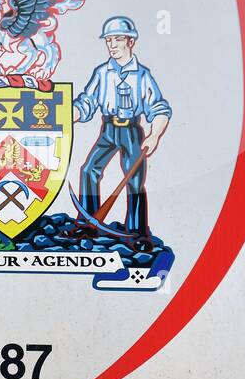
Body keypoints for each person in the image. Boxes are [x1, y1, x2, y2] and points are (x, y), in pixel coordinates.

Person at [72, 15, 171, 236]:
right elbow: (86, 101)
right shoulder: (101, 73)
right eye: (109, 40)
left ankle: (137, 232)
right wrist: (69, 114)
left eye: (117, 39)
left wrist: (154, 135)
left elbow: (159, 108)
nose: (112, 45)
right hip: (108, 130)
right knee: (89, 170)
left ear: (130, 41)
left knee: (135, 180)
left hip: (132, 132)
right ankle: (87, 224)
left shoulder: (142, 75)